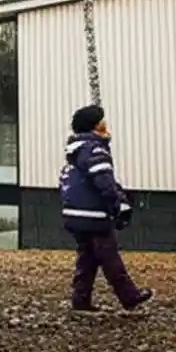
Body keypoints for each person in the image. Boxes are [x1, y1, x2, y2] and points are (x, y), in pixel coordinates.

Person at [60, 105, 154, 314]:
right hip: (94, 215)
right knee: (109, 256)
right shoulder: (95, 150)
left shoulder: (76, 152)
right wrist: (119, 205)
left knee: (87, 258)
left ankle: (80, 300)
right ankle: (129, 297)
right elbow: (105, 182)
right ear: (96, 125)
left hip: (75, 214)